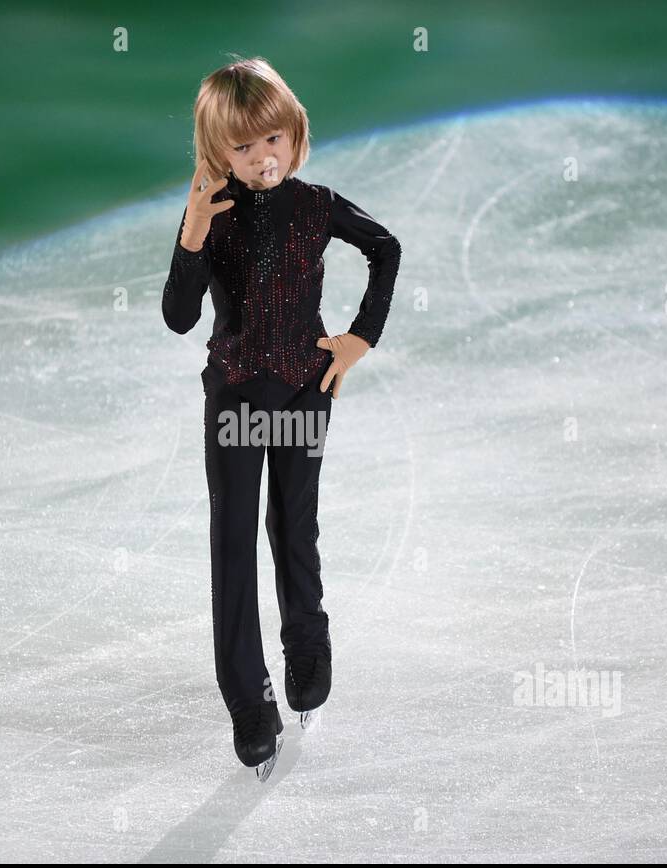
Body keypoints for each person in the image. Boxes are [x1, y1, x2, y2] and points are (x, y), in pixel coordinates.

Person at [161, 56, 401, 773]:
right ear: (216, 154)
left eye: (273, 139)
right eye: (242, 146)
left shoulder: (317, 204)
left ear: (294, 135)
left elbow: (384, 248)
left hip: (303, 388)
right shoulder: (211, 217)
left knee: (294, 524)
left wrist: (359, 340)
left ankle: (307, 638)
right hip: (235, 395)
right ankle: (247, 694)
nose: (262, 157)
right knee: (233, 540)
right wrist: (193, 232)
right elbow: (178, 317)